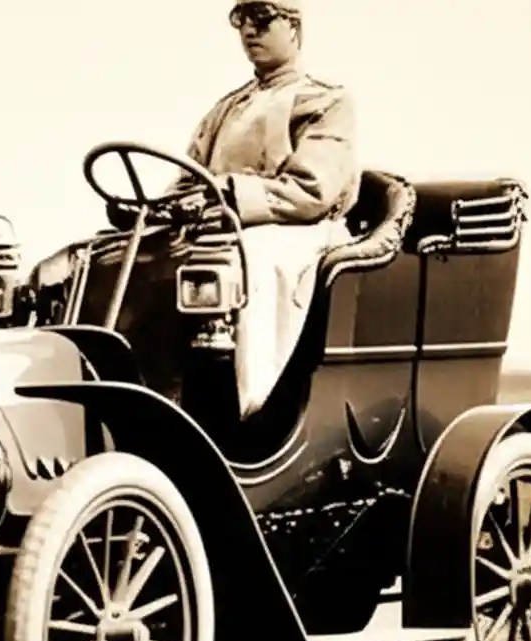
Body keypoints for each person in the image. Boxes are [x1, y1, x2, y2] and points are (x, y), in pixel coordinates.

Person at [111, 0, 364, 420]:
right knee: (111, 256)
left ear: (295, 27)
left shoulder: (326, 101)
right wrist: (152, 209)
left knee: (236, 262)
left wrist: (227, 193)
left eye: (263, 20)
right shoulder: (226, 108)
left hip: (294, 228)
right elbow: (188, 180)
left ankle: (241, 411)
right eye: (241, 22)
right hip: (219, 225)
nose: (250, 31)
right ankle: (140, 399)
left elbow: (311, 192)